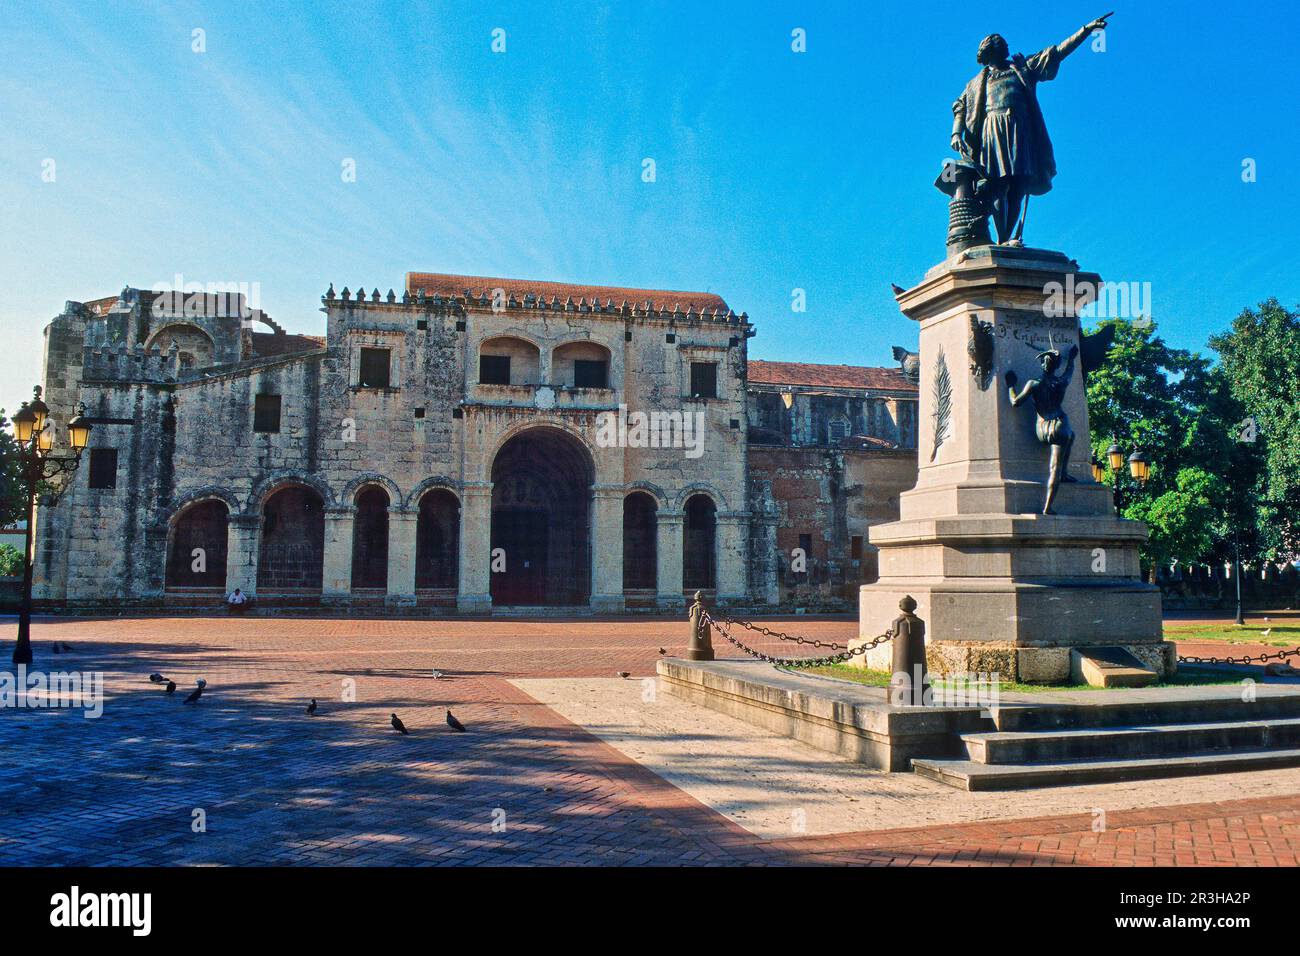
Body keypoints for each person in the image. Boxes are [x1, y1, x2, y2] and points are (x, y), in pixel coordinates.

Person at [950, 15, 1111, 244]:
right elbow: (960, 105)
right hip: (991, 130)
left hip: (1019, 128)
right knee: (996, 183)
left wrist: (1085, 31)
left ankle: (1005, 239)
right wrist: (956, 132)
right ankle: (1000, 236)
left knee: (1018, 183)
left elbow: (1056, 53)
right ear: (990, 51)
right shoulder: (976, 82)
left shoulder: (1022, 67)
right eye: (1000, 43)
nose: (1006, 46)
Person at [1006, 345, 1079, 514]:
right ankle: (1048, 505)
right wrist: (1072, 358)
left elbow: (1015, 402)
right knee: (1056, 466)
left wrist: (1011, 386)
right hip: (1059, 426)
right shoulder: (1061, 383)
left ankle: (1063, 477)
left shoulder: (1033, 384)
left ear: (1043, 365)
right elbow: (1070, 371)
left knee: (1071, 436)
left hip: (1042, 428)